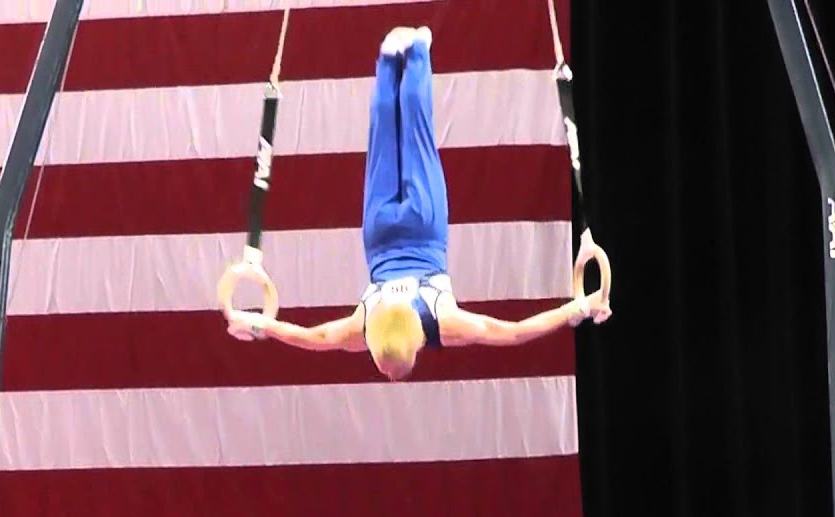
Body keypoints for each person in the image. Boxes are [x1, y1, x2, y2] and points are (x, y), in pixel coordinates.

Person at [225, 26, 610, 381]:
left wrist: (577, 309)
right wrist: (256, 324)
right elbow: (314, 336)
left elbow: (511, 333)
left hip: (424, 230)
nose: (391, 378)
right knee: (384, 145)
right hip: (379, 234)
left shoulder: (440, 321)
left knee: (417, 138)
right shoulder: (367, 321)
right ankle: (390, 58)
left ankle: (419, 50)